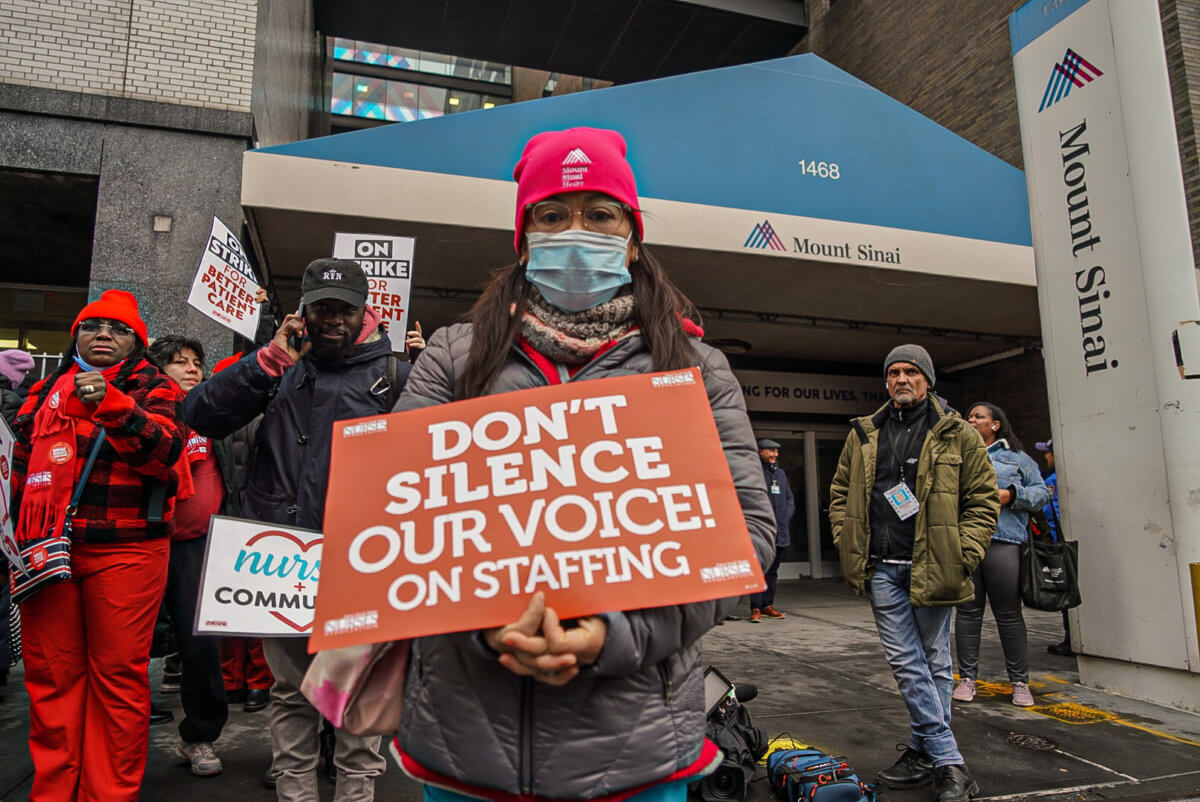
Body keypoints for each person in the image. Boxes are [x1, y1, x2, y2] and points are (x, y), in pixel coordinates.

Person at [388, 127, 776, 802]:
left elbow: (743, 541)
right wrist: (490, 627)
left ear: (630, 238)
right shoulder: (452, 358)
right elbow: (395, 521)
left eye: (599, 214)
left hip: (636, 751)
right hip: (466, 746)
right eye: (552, 214)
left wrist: (614, 636)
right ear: (524, 237)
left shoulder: (696, 371)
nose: (576, 230)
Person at [185, 258, 405, 802]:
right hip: (281, 559)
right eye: (321, 308)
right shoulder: (276, 365)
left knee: (355, 691)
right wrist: (270, 361)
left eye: (344, 309)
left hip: (361, 562)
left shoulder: (399, 374)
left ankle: (355, 795)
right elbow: (200, 414)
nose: (332, 320)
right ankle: (296, 795)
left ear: (365, 312)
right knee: (291, 694)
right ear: (302, 312)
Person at [11, 290, 186, 801]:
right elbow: (19, 474)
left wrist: (111, 407)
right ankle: (53, 793)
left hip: (127, 549)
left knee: (116, 680)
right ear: (76, 336)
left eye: (118, 328)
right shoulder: (43, 390)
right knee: (51, 680)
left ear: (136, 341)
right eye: (93, 326)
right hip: (45, 551)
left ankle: (108, 795)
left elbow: (165, 454)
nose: (104, 334)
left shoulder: (154, 386)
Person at [828, 344, 997, 802]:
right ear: (886, 382)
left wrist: (965, 552)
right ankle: (948, 761)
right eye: (894, 373)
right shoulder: (865, 434)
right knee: (909, 662)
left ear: (928, 379)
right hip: (883, 568)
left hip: (935, 565)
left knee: (936, 662)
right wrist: (846, 535)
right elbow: (841, 490)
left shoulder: (957, 433)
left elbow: (982, 500)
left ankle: (925, 753)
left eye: (911, 371)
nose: (902, 379)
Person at [148, 335, 231, 775]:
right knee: (132, 647)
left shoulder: (213, 414)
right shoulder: (139, 412)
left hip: (199, 546)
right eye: (179, 362)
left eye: (197, 362)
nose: (192, 369)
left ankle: (200, 737)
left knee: (201, 648)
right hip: (143, 542)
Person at [954, 403, 1052, 708]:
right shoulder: (956, 455)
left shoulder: (1017, 459)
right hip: (965, 543)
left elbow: (1042, 492)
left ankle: (1020, 683)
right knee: (968, 614)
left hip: (1004, 542)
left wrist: (1012, 495)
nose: (971, 420)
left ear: (995, 424)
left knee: (1009, 615)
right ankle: (967, 679)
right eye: (969, 417)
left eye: (978, 417)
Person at [749, 438, 793, 623]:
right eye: (770, 451)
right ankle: (755, 608)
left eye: (776, 451)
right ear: (760, 452)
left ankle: (767, 605)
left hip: (780, 532)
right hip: (761, 532)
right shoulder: (754, 473)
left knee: (773, 571)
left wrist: (785, 518)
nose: (775, 454)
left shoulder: (780, 473)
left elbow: (789, 499)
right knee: (759, 570)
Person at [1036, 439, 1072, 656]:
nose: (1046, 457)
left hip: (1058, 543)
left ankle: (1071, 639)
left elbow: (1048, 512)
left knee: (1066, 590)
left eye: (1048, 453)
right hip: (1065, 542)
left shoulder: (1053, 480)